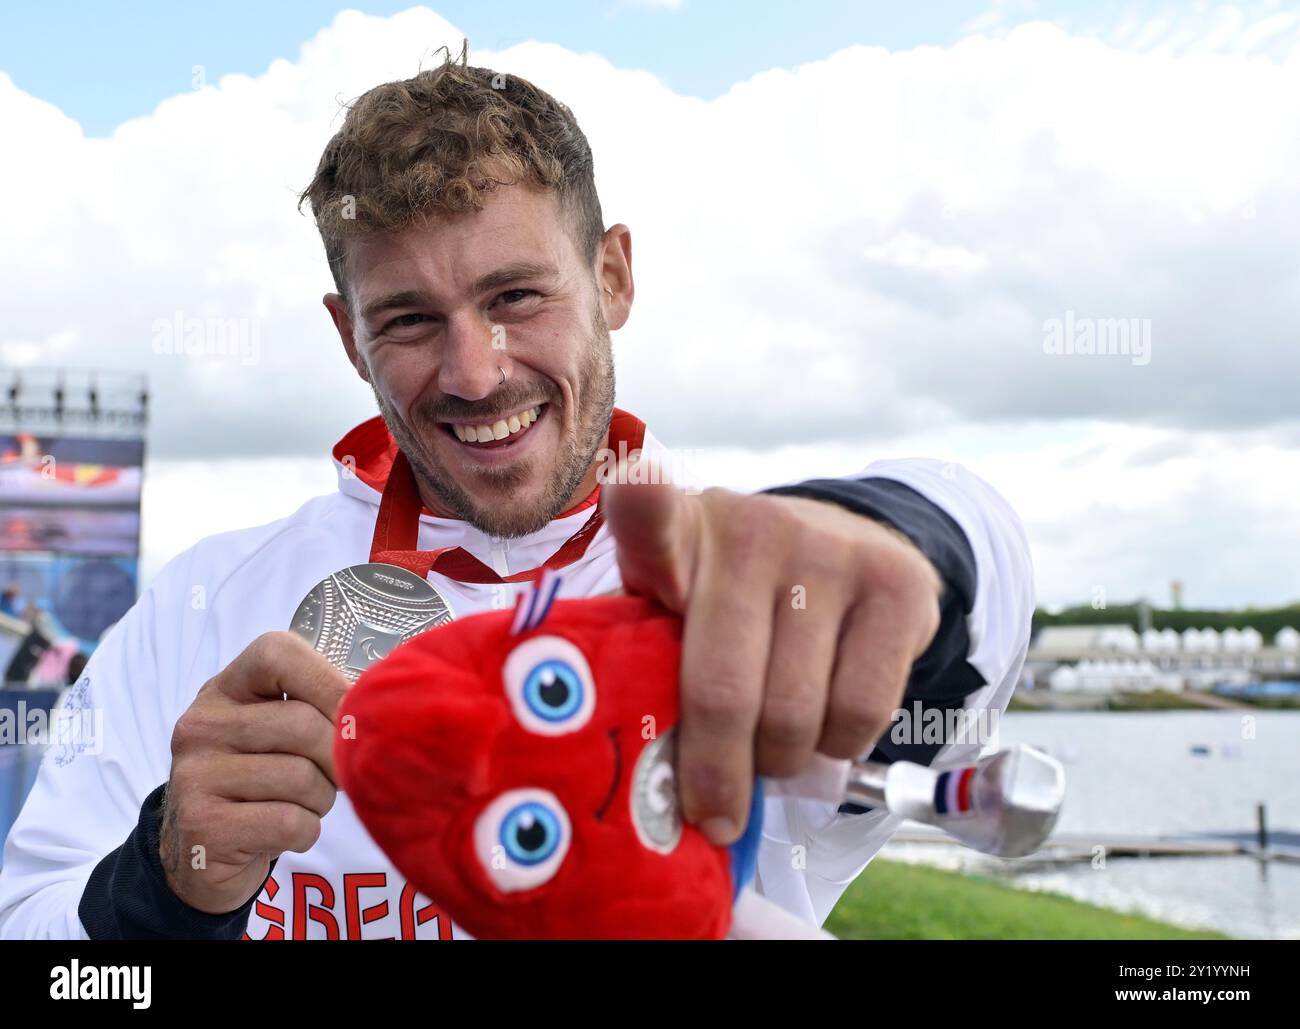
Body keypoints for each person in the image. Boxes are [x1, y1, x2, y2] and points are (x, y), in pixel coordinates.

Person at [0, 45, 1033, 939]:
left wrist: (895, 535)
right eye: (406, 320)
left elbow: (979, 593)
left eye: (517, 297)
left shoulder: (744, 590)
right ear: (347, 339)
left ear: (614, 277)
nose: (475, 371)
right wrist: (166, 884)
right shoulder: (207, 605)